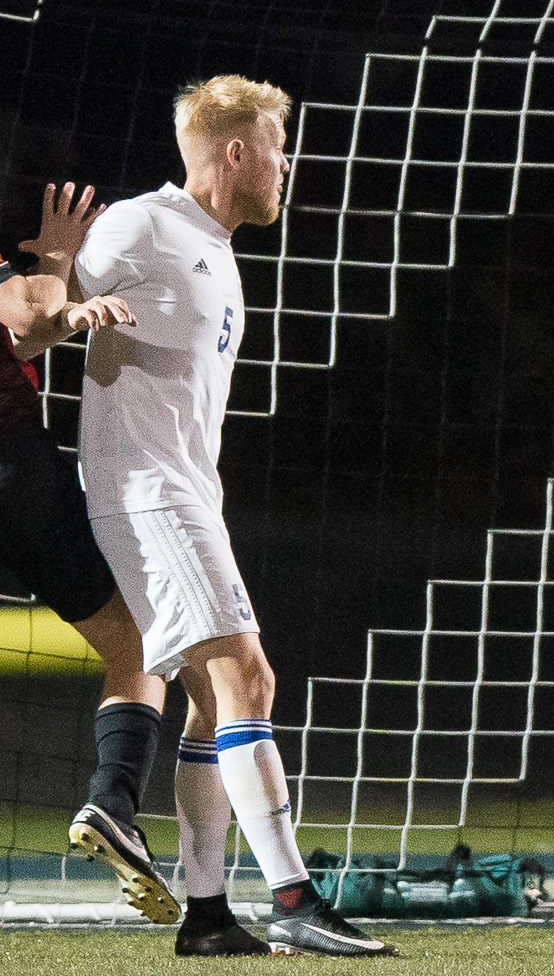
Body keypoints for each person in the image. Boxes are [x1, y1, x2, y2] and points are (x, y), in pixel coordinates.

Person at [66, 74, 394, 956]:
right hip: (147, 496)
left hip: (186, 493)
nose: (288, 168)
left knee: (224, 700)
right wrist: (57, 303)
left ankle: (208, 914)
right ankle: (292, 896)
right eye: (279, 149)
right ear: (236, 151)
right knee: (245, 676)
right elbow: (42, 301)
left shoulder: (212, 244)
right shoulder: (139, 224)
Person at [0, 183, 177, 926]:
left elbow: (28, 333)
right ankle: (112, 804)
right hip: (13, 472)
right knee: (136, 644)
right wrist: (61, 260)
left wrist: (58, 295)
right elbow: (26, 318)